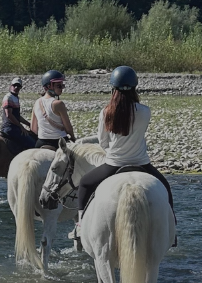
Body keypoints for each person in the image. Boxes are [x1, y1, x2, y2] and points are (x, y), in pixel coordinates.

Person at [73, 65, 174, 227]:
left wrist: (114, 152)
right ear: (134, 88)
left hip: (114, 164)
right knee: (165, 187)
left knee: (85, 183)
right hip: (141, 163)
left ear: (114, 89)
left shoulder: (106, 113)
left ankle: (82, 224)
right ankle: (172, 228)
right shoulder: (145, 111)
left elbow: (103, 142)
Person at [31, 70, 76, 149]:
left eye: (62, 85)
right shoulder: (58, 104)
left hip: (41, 143)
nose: (62, 88)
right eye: (59, 86)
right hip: (59, 142)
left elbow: (33, 129)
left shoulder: (37, 103)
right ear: (49, 86)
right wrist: (72, 137)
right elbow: (68, 128)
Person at [0, 77, 37, 152]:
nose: (16, 87)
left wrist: (28, 124)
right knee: (33, 144)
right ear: (11, 86)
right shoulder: (8, 97)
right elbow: (9, 115)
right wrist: (21, 127)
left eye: (18, 86)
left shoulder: (15, 98)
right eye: (14, 85)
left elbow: (17, 116)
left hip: (14, 127)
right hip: (10, 128)